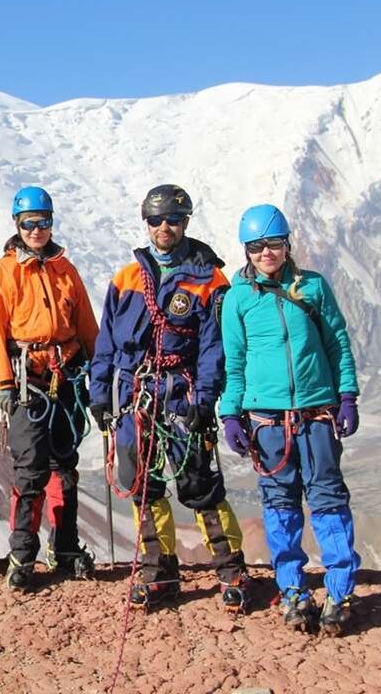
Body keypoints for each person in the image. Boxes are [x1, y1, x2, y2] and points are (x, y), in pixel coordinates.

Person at [89, 184, 250, 611]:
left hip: (182, 394)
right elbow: (106, 342)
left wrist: (205, 399)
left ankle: (231, 570)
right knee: (144, 484)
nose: (165, 227)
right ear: (146, 222)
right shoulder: (126, 278)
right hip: (133, 396)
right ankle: (159, 572)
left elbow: (216, 347)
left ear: (186, 223)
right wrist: (100, 392)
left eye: (173, 220)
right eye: (157, 220)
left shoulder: (210, 279)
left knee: (199, 484)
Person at [219, 204, 361, 635]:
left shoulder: (313, 287)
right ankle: (294, 590)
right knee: (280, 505)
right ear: (246, 250)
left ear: (287, 245)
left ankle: (340, 591)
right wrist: (231, 413)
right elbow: (235, 361)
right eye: (258, 246)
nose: (267, 253)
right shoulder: (238, 299)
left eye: (274, 244)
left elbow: (337, 342)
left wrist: (347, 394)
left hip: (316, 412)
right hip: (267, 420)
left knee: (328, 499)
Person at [0, 186, 99, 590]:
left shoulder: (65, 269)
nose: (37, 230)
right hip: (26, 381)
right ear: (18, 225)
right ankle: (22, 554)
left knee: (64, 466)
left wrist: (97, 374)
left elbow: (86, 325)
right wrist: (2, 383)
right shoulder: (3, 272)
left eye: (43, 222)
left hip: (65, 375)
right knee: (30, 470)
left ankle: (64, 546)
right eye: (30, 223)